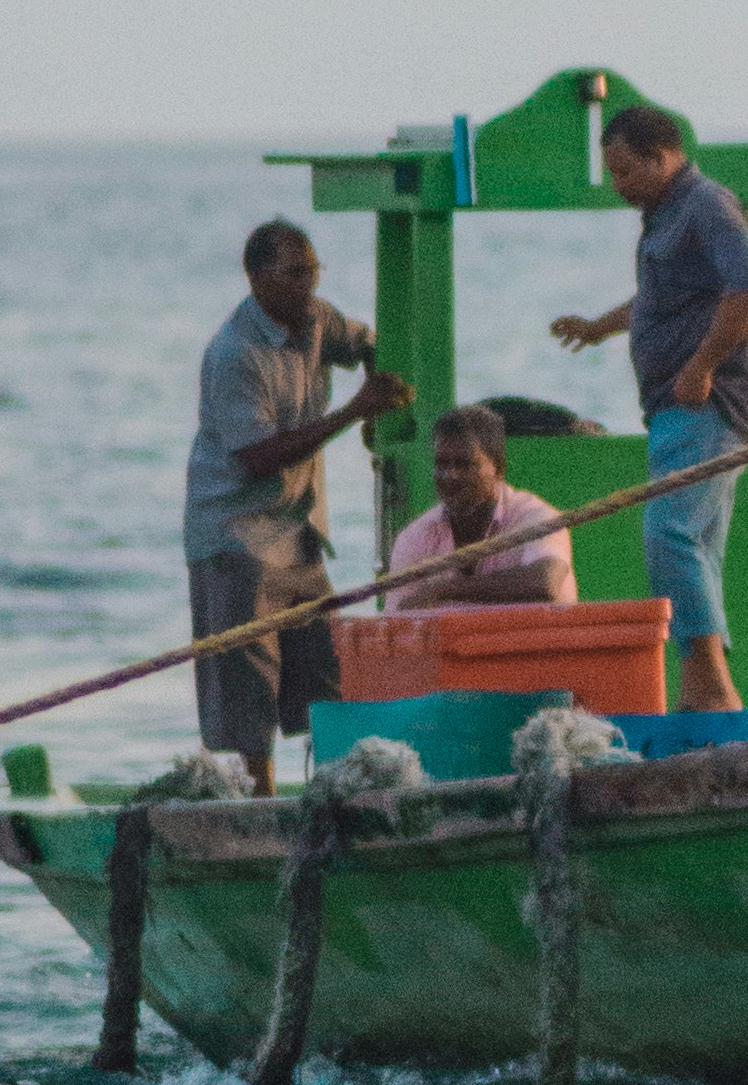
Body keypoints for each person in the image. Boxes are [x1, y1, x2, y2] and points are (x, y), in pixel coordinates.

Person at [547, 99, 748, 713]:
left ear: (662, 156)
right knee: (694, 542)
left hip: (708, 401)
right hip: (675, 409)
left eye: (625, 172)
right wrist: (597, 327)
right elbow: (658, 299)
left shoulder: (706, 205)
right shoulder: (667, 214)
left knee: (668, 534)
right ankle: (711, 691)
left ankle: (711, 690)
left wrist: (700, 367)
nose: (619, 187)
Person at [184, 219, 408, 784]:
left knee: (328, 678)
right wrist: (353, 412)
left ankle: (331, 801)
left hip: (300, 534)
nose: (307, 284)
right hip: (237, 538)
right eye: (293, 273)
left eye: (313, 270)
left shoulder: (318, 319)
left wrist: (376, 414)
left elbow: (374, 343)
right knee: (246, 701)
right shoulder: (234, 355)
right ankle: (259, 814)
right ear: (257, 278)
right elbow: (260, 457)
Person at [389, 404, 579, 611]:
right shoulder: (416, 538)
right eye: (441, 464)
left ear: (499, 469)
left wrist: (446, 589)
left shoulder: (537, 518)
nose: (450, 475)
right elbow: (395, 619)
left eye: (464, 464)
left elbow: (545, 582)